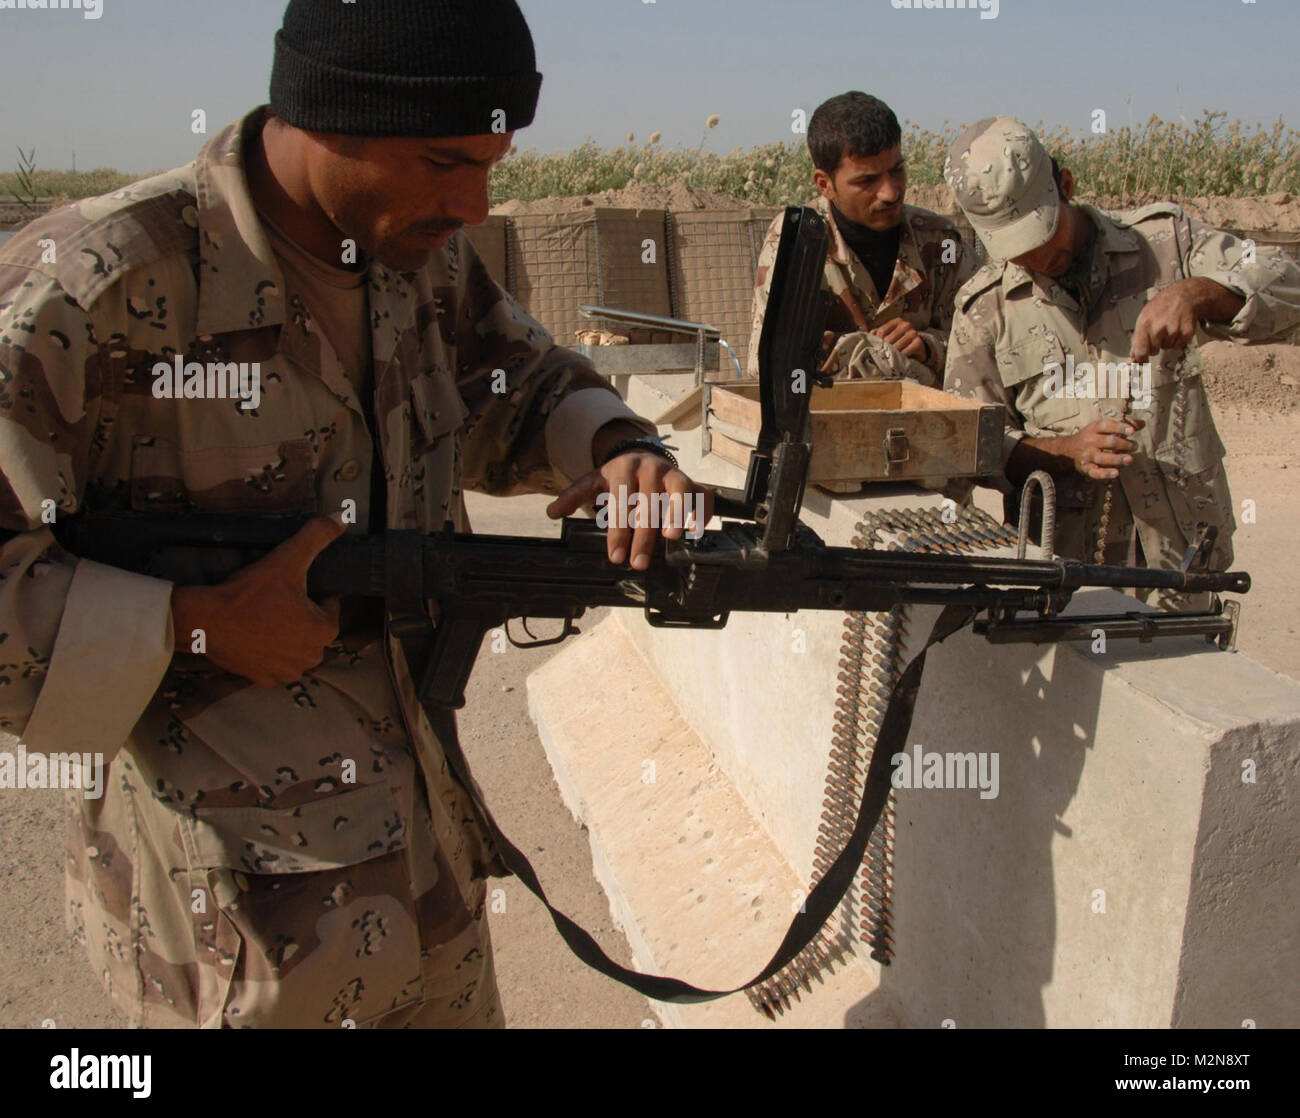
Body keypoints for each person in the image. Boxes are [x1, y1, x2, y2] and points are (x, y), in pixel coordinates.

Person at [0, 0, 709, 1029]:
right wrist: (194, 622)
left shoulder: (414, 256)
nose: (472, 203)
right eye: (441, 161)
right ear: (327, 116)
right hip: (243, 932)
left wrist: (616, 444)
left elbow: (518, 382)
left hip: (428, 879)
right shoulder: (90, 289)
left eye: (492, 164)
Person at [942, 116, 1300, 601]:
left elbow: (1286, 283)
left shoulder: (1166, 244)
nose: (1033, 258)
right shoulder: (984, 311)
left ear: (1065, 185)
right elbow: (968, 446)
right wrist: (1067, 451)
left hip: (1185, 570)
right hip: (1067, 585)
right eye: (1014, 247)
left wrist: (1201, 293)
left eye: (1040, 235)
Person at [746, 92, 973, 386]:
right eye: (867, 181)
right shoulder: (796, 242)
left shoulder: (940, 242)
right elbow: (770, 363)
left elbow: (985, 344)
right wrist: (887, 355)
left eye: (897, 171)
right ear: (825, 184)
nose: (890, 193)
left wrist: (927, 346)